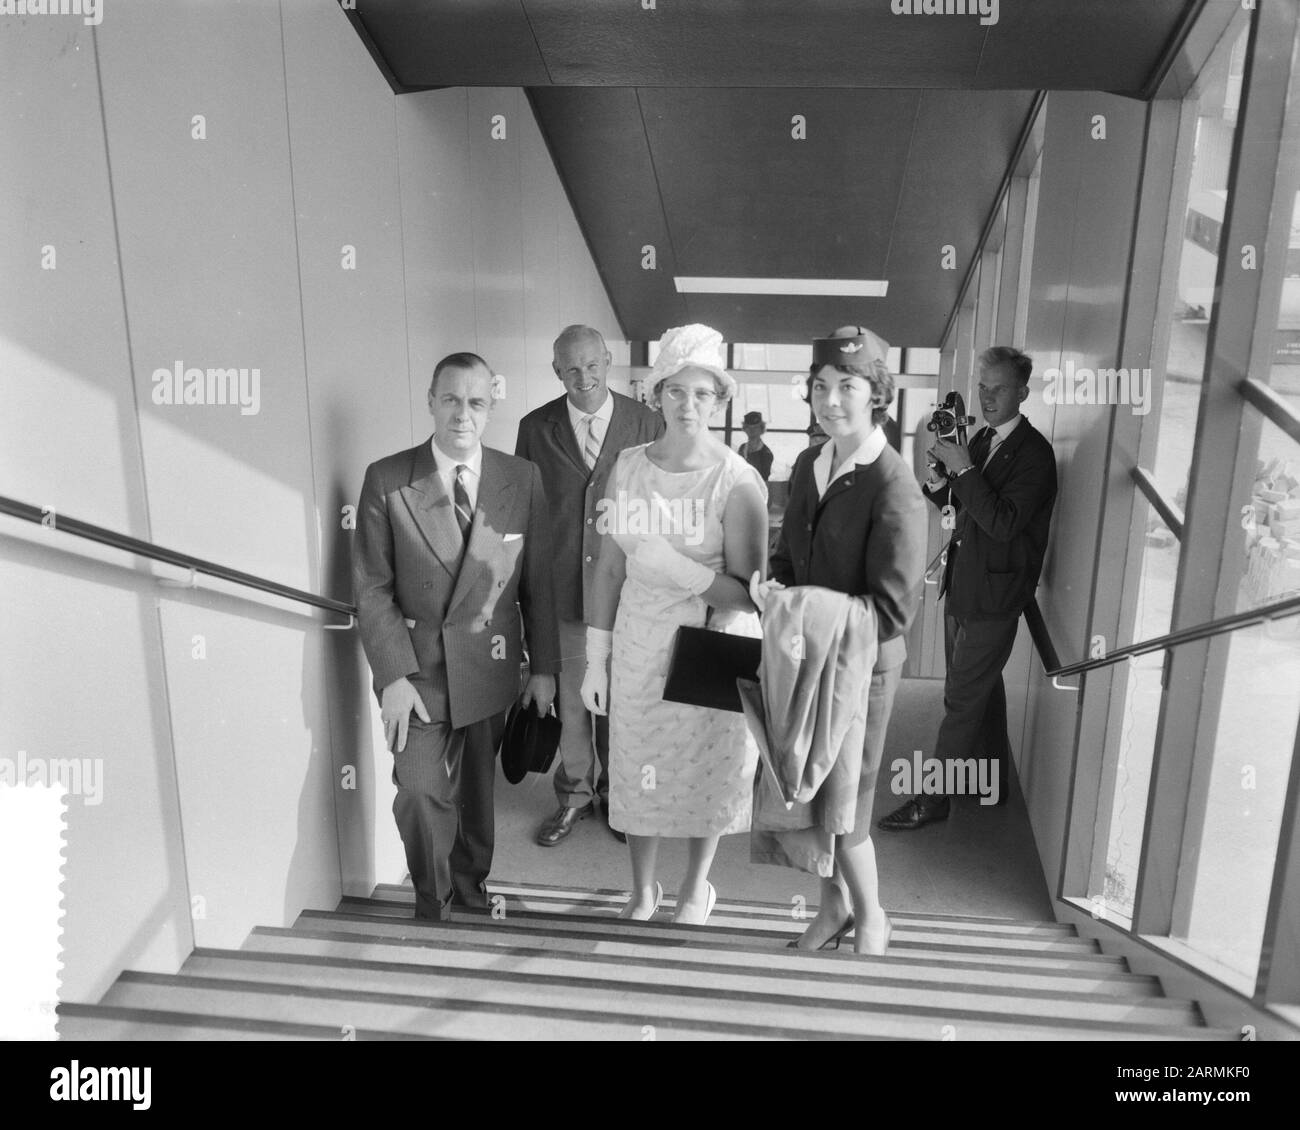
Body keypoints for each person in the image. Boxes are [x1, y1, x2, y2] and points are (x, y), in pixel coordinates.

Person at [352, 353, 560, 919]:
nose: (461, 414)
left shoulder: (522, 477)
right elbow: (372, 589)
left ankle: (469, 890)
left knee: (475, 796)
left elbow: (536, 578)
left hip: (491, 664)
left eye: (475, 402)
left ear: (491, 407)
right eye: (450, 400)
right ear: (430, 401)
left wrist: (543, 668)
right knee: (420, 794)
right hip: (418, 673)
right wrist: (392, 676)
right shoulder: (388, 479)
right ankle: (432, 898)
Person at [581, 324, 769, 926]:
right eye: (677, 391)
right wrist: (595, 656)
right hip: (639, 644)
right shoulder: (628, 467)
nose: (689, 405)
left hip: (708, 647)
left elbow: (749, 595)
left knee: (705, 772)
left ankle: (695, 889)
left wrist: (677, 568)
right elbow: (609, 569)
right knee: (637, 773)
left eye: (703, 394)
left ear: (719, 400)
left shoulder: (738, 482)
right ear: (657, 394)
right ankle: (642, 891)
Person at [751, 324, 927, 955]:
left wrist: (803, 607)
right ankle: (834, 913)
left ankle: (875, 915)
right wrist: (776, 591)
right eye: (821, 386)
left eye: (848, 386)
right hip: (810, 659)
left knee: (848, 801)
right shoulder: (810, 463)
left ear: (876, 392)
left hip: (862, 667)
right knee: (819, 794)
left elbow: (891, 610)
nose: (831, 401)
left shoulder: (895, 486)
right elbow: (792, 560)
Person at [878, 345, 1057, 831]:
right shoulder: (980, 440)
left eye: (998, 388)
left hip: (995, 596)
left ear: (1022, 391)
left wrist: (964, 469)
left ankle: (933, 799)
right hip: (962, 584)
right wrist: (939, 479)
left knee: (961, 697)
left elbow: (1001, 523)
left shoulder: (1035, 455)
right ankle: (988, 781)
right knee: (982, 689)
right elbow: (959, 502)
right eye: (983, 387)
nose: (988, 396)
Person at [515, 326, 662, 848]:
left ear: (609, 361)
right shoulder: (534, 427)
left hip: (629, 592)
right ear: (557, 371)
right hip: (566, 590)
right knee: (575, 703)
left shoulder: (647, 421)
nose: (584, 377)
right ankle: (574, 797)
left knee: (624, 702)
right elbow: (527, 512)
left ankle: (620, 797)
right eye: (571, 368)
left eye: (592, 365)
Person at [736, 410, 774, 482]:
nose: (752, 431)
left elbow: (763, 479)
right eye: (748, 427)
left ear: (761, 429)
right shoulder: (742, 448)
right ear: (745, 429)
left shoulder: (766, 453)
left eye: (755, 428)